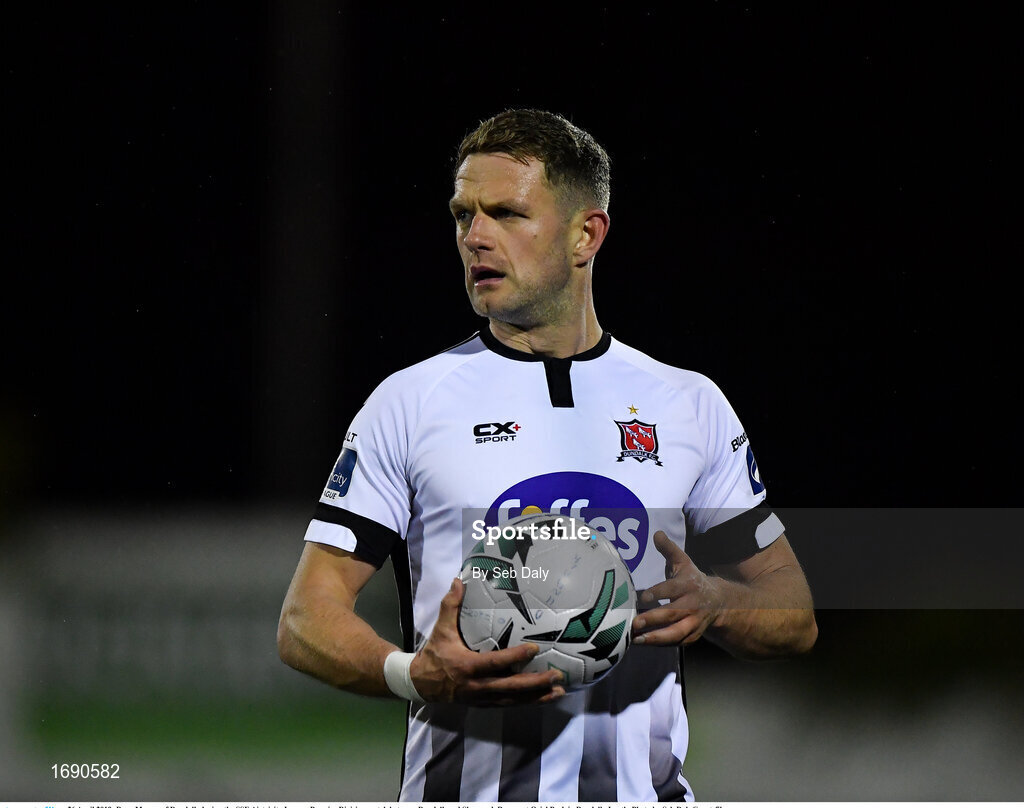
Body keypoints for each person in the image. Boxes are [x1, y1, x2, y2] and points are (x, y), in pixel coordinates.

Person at [277, 108, 817, 801]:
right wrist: (414, 673)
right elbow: (304, 618)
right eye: (462, 214)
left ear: (585, 234)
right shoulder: (409, 403)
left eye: (505, 213)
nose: (475, 237)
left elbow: (794, 612)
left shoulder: (688, 404)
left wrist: (715, 604)